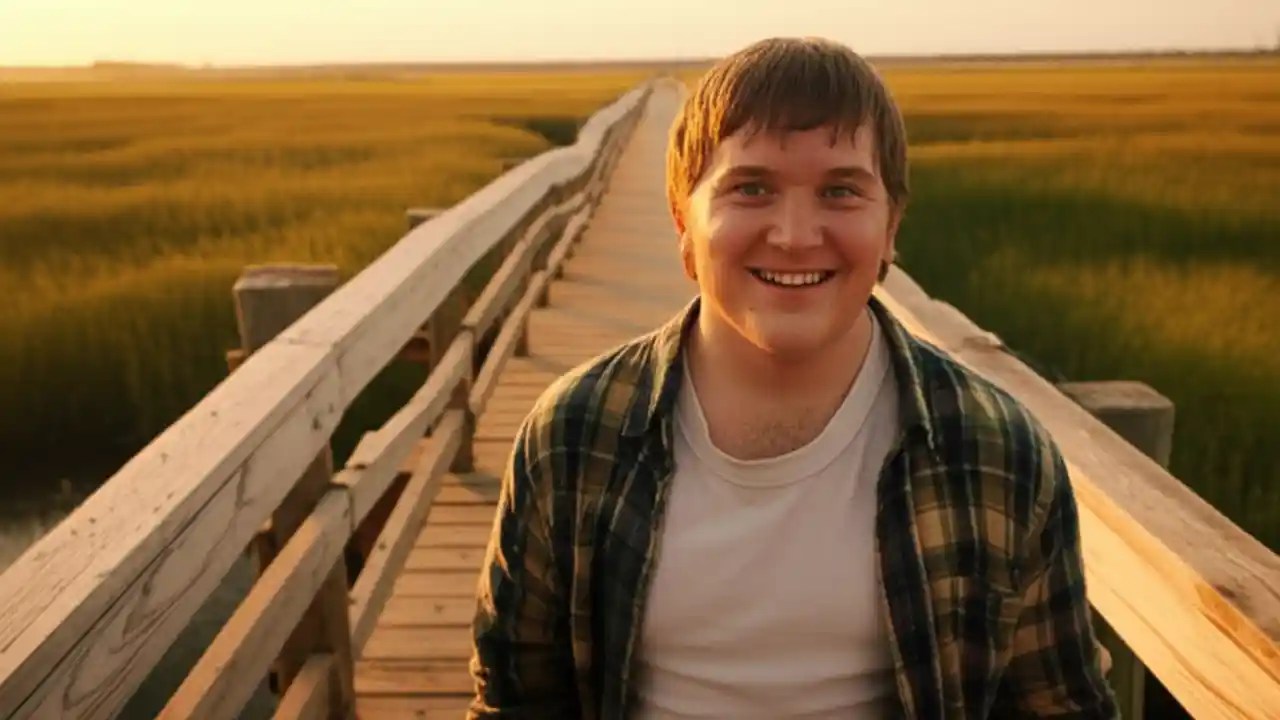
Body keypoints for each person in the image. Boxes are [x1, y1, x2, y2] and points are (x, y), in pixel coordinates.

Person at [467, 36, 1117, 719]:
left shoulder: (997, 452)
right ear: (682, 223)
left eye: (841, 191)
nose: (796, 234)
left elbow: (1061, 706)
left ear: (891, 225)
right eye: (751, 188)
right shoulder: (573, 434)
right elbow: (516, 701)